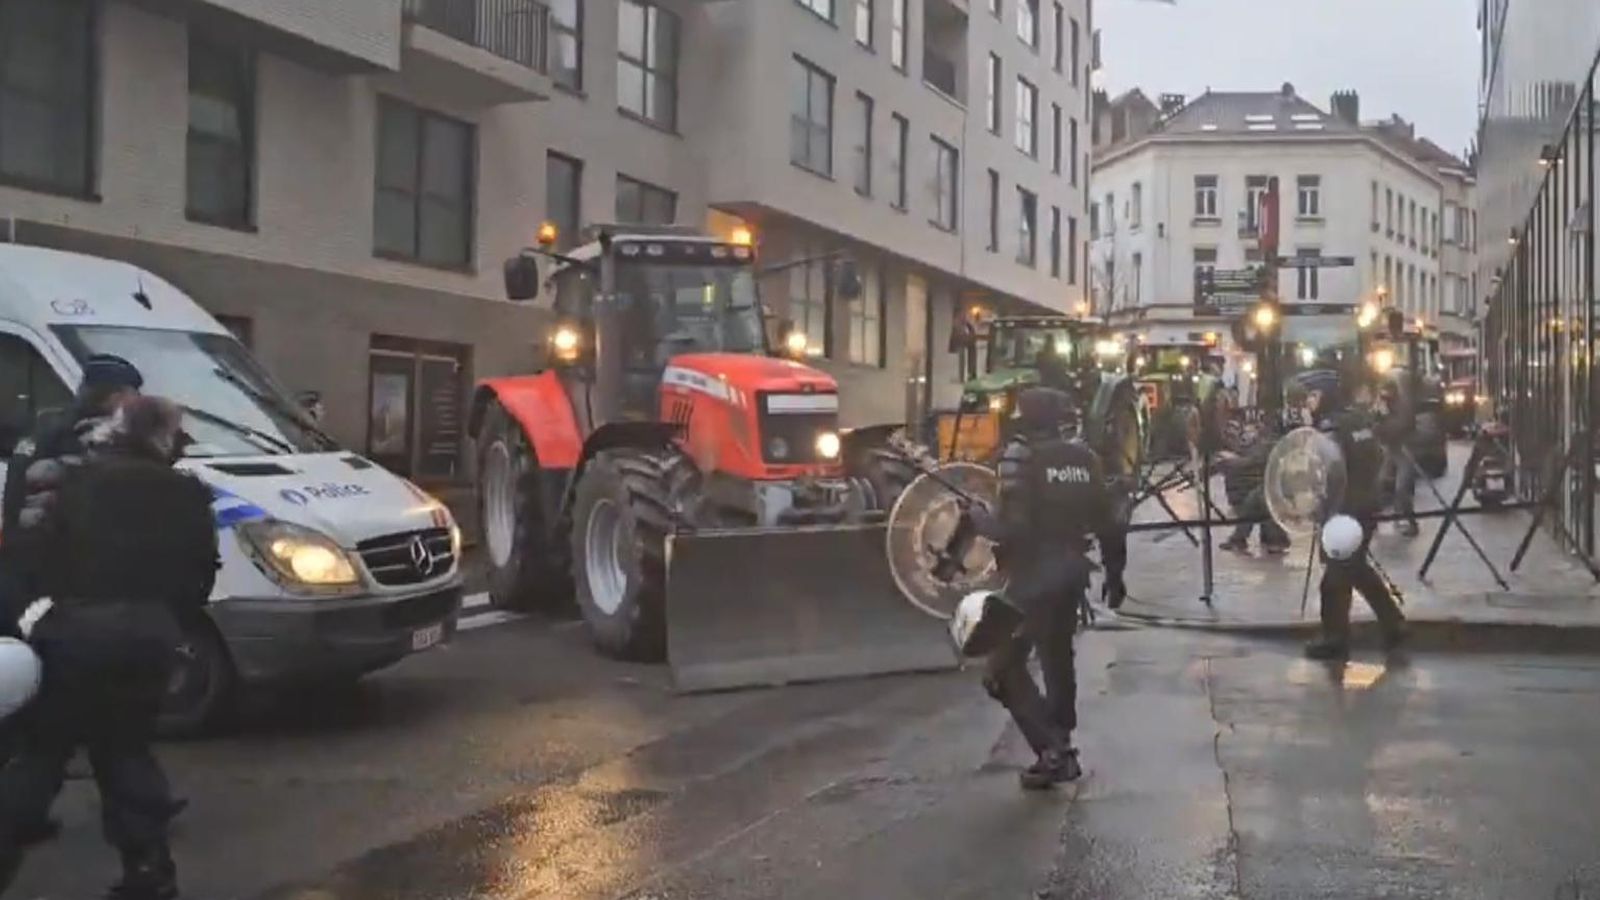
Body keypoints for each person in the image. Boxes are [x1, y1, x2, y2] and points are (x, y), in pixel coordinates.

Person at [0, 396, 218, 898]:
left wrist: (38, 614)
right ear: (164, 439)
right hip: (149, 638)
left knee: (43, 749)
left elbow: (28, 556)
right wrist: (168, 620)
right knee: (126, 747)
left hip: (74, 633)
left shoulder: (72, 482)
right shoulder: (187, 494)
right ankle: (150, 869)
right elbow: (201, 574)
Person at [967, 387, 1127, 789]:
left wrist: (978, 519)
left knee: (1002, 668)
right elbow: (1109, 523)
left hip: (1033, 579)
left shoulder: (1020, 458)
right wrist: (1115, 574)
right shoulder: (1084, 458)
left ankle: (1054, 751)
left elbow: (1014, 530)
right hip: (1072, 575)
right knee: (1057, 659)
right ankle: (1061, 742)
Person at [1295, 370, 1408, 661]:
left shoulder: (1329, 429)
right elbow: (1377, 457)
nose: (1308, 403)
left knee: (1335, 578)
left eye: (1313, 396)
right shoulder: (1357, 420)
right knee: (1356, 568)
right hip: (1366, 504)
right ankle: (1393, 624)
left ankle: (1334, 638)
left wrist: (1319, 503)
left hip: (1343, 511)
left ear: (1325, 396)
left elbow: (1327, 471)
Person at [1375, 375, 1420, 537]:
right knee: (1379, 483)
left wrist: (1385, 417)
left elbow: (1399, 427)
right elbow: (1376, 428)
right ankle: (1375, 521)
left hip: (1404, 449)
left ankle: (1411, 522)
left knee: (1402, 488)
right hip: (1391, 449)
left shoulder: (1402, 406)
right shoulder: (1382, 406)